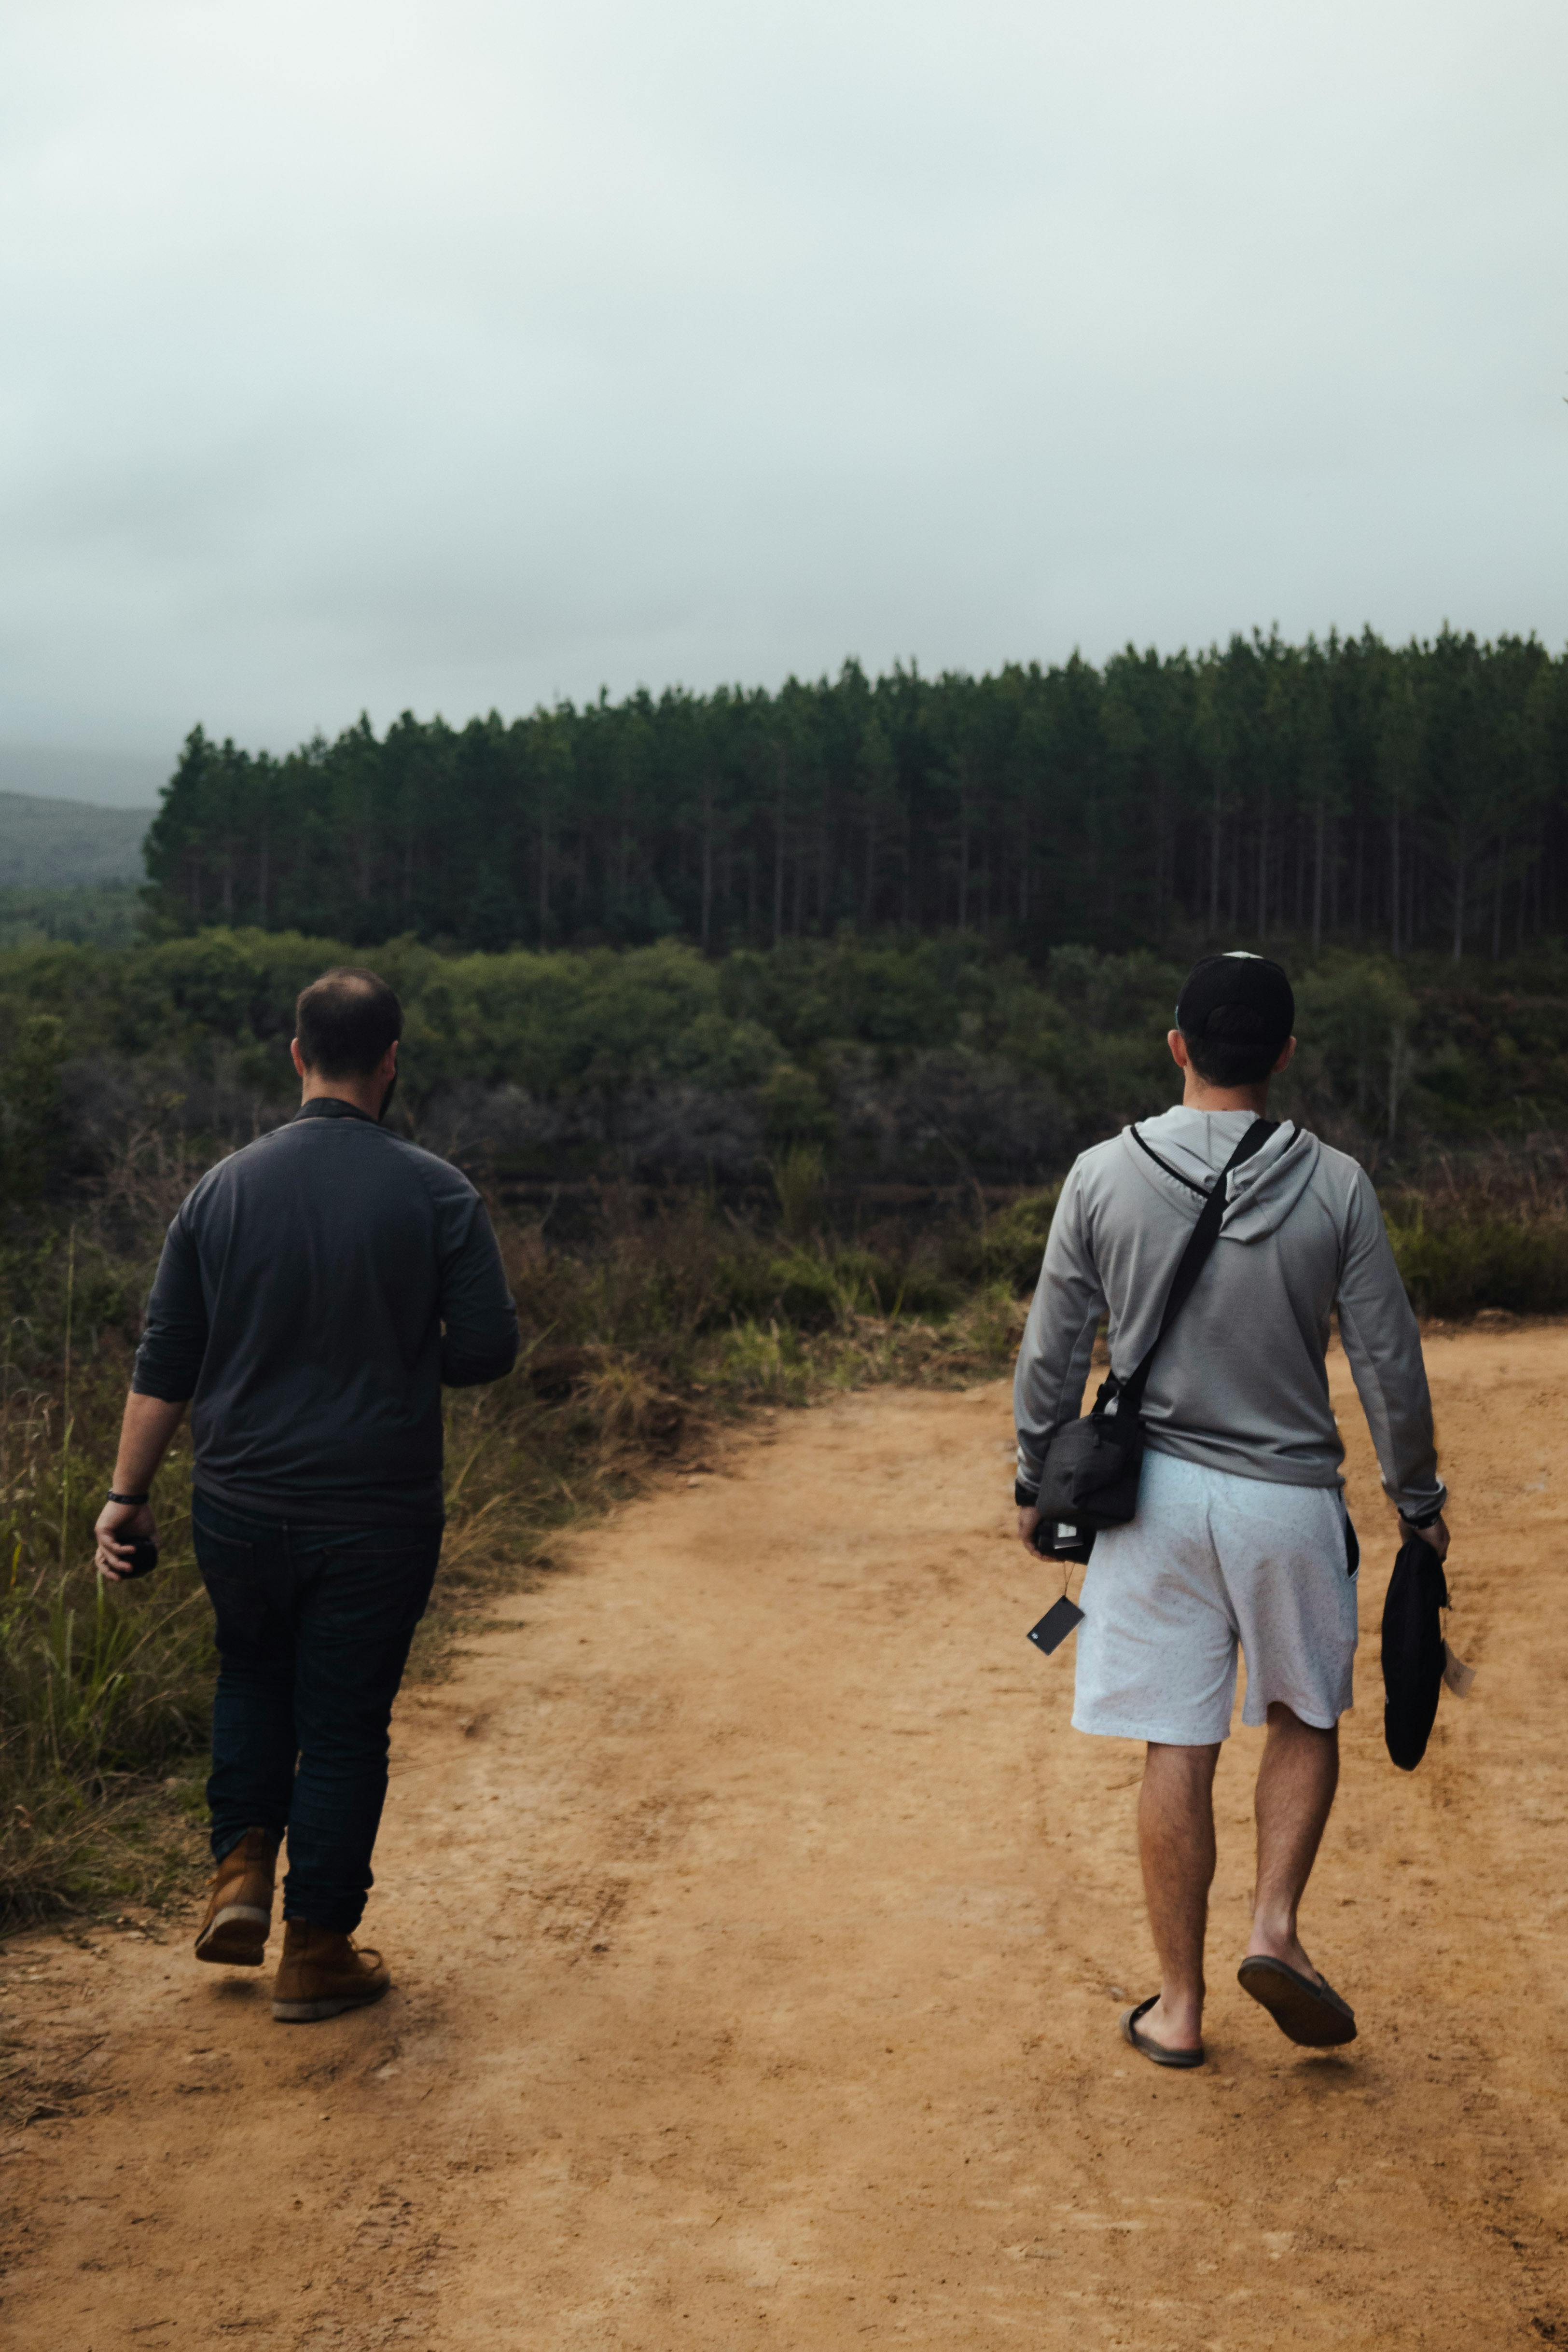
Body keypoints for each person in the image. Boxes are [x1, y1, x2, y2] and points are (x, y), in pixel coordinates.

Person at [1013, 952, 1448, 2067]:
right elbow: (1388, 1365)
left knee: (1177, 1736)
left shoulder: (1100, 1174)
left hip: (1148, 1506)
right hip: (1287, 1503)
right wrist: (1416, 1503)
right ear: (1283, 1054)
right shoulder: (1336, 1183)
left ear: (1177, 1046)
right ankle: (1273, 1929)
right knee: (1301, 1714)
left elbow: (1052, 1348)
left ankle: (1176, 2009)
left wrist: (1033, 1478)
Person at [95, 967, 518, 2022]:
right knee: (343, 1722)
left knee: (251, 1673)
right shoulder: (437, 1192)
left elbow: (167, 1355)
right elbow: (488, 1349)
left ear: (297, 1055)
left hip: (238, 1503)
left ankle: (240, 1871)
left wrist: (125, 1496)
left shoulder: (221, 1189)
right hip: (377, 1512)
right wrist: (398, 1354)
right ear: (390, 1061)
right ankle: (318, 1947)